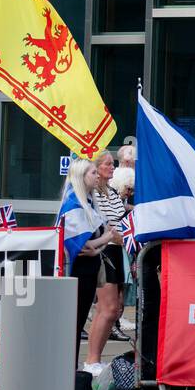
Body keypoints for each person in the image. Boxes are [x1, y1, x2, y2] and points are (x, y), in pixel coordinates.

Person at [62, 158, 121, 374]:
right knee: (74, 322)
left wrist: (101, 243)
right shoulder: (74, 204)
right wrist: (106, 238)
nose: (97, 176)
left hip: (88, 270)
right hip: (78, 272)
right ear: (81, 176)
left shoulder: (87, 202)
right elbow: (83, 245)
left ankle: (71, 368)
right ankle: (69, 369)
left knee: (78, 321)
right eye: (93, 173)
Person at [89, 151, 131, 344]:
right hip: (103, 250)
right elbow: (104, 224)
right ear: (96, 168)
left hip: (116, 248)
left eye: (112, 163)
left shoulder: (112, 192)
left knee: (112, 308)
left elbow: (121, 220)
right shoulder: (93, 193)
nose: (112, 166)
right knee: (107, 308)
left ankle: (94, 358)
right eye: (107, 164)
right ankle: (92, 359)